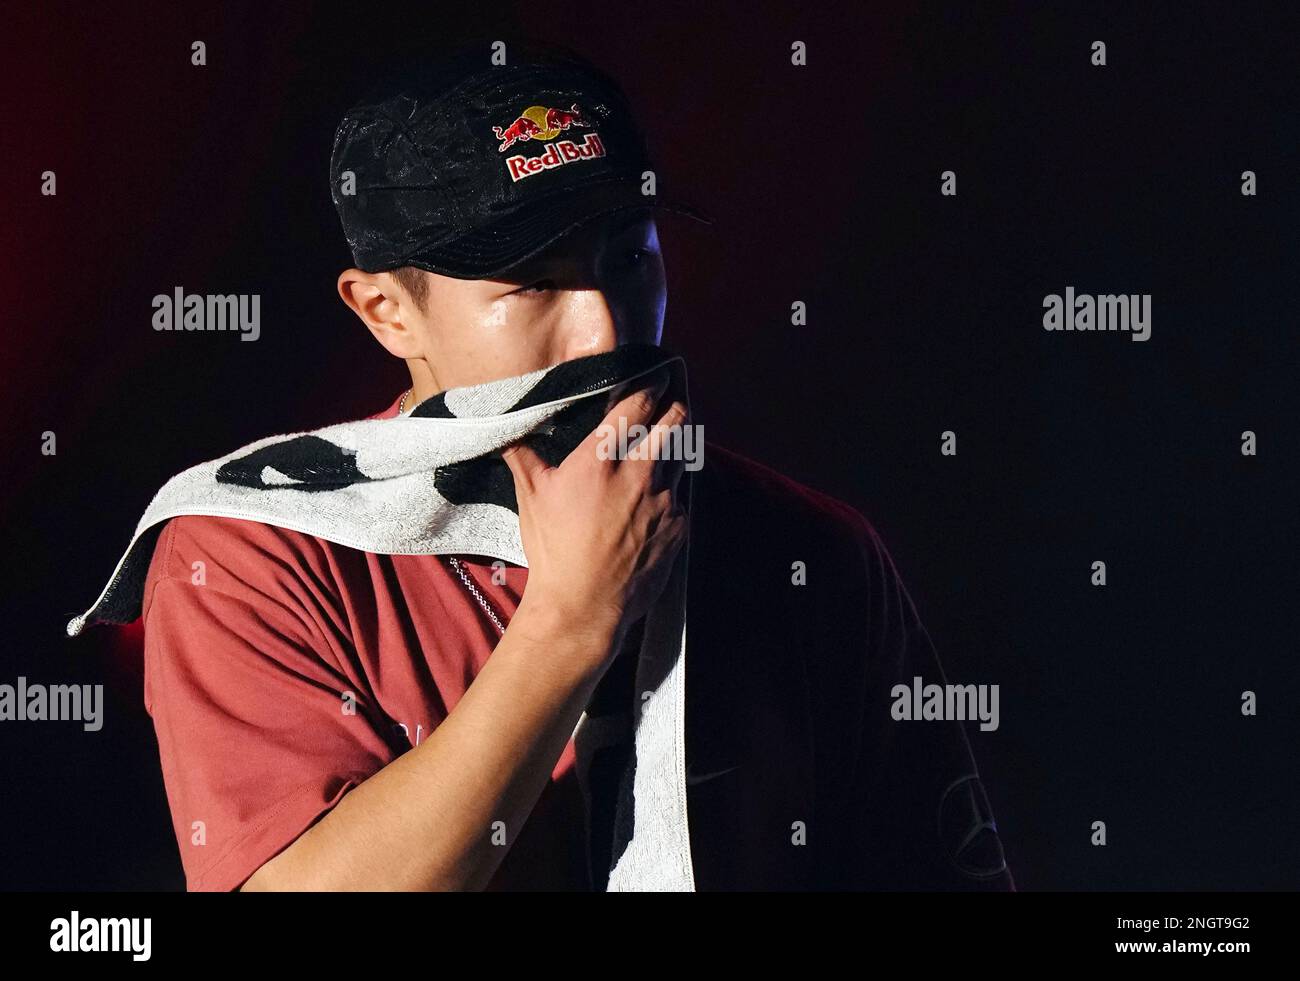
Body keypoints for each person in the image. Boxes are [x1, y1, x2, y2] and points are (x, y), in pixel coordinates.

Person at [140, 43, 1013, 891]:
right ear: (386, 313)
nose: (605, 331)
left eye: (628, 259)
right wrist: (573, 619)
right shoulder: (251, 551)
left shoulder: (807, 549)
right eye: (533, 285)